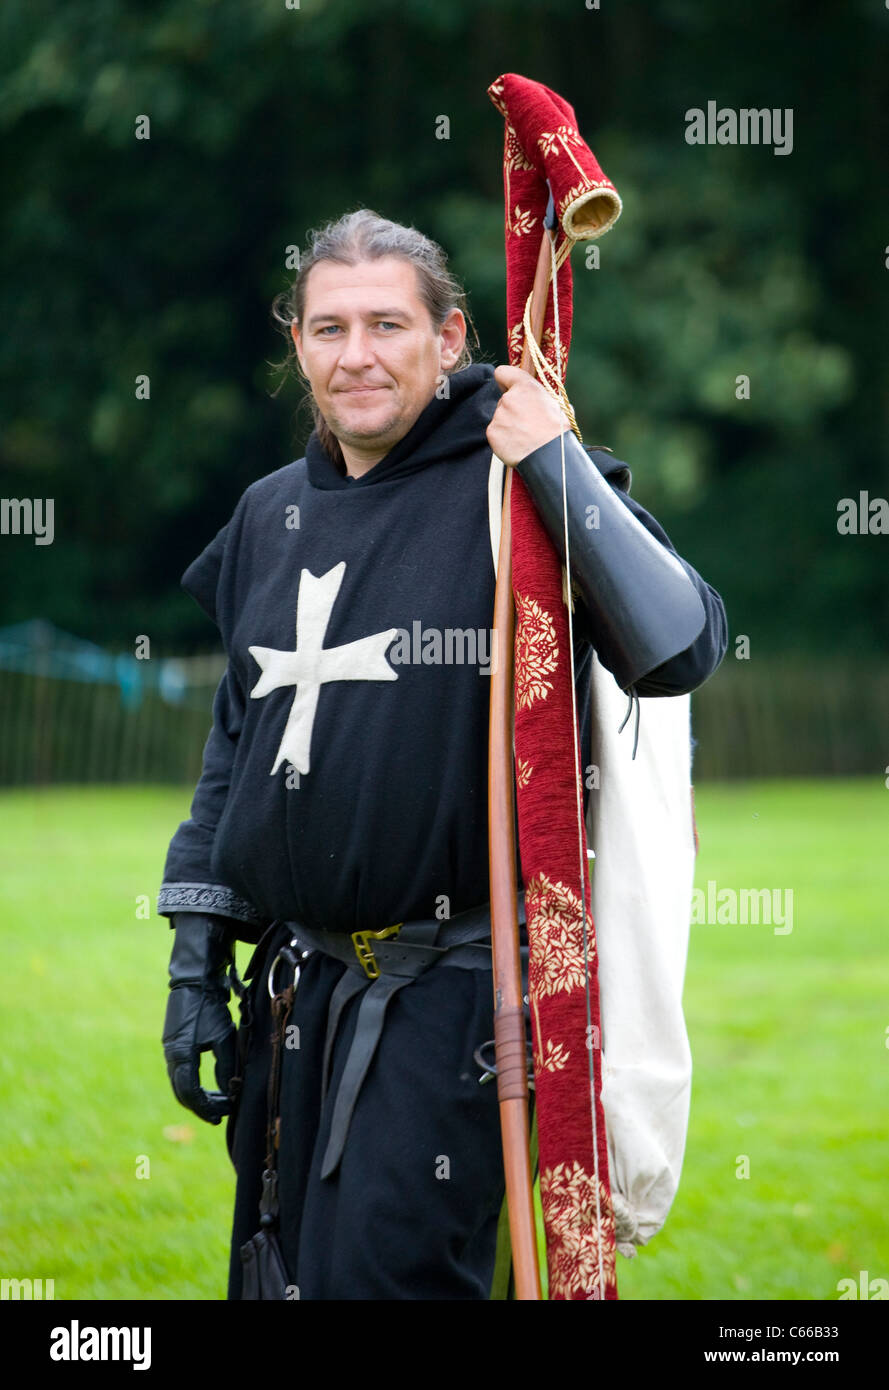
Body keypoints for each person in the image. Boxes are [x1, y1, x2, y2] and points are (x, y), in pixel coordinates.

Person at [158, 208, 727, 1300]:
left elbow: (680, 648)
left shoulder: (514, 495)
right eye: (328, 328)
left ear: (450, 337)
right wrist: (196, 957)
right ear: (296, 345)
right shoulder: (268, 513)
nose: (355, 354)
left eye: (386, 324)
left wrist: (557, 464)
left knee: (391, 1279)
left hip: (458, 1006)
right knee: (282, 1280)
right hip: (296, 992)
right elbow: (239, 741)